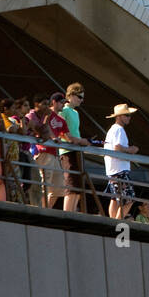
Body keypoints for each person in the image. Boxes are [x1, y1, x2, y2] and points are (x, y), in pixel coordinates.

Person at [28, 94, 68, 209]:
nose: (63, 104)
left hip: (54, 153)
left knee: (59, 187)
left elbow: (47, 130)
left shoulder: (52, 116)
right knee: (44, 183)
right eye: (61, 102)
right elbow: (41, 130)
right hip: (43, 151)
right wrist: (53, 138)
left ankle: (45, 209)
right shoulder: (35, 115)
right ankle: (39, 209)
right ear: (54, 102)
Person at [103, 103, 139, 220]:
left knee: (115, 199)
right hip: (120, 170)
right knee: (129, 198)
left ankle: (113, 221)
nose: (129, 117)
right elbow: (117, 147)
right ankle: (117, 222)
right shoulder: (119, 129)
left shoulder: (112, 129)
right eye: (127, 115)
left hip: (113, 170)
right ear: (119, 117)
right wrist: (131, 150)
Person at [59, 83, 86, 213]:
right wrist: (76, 140)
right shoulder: (64, 111)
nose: (81, 100)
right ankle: (67, 212)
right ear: (70, 96)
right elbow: (60, 130)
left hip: (76, 149)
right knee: (71, 183)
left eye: (82, 98)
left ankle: (72, 211)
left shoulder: (75, 112)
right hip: (68, 150)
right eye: (79, 97)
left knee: (78, 185)